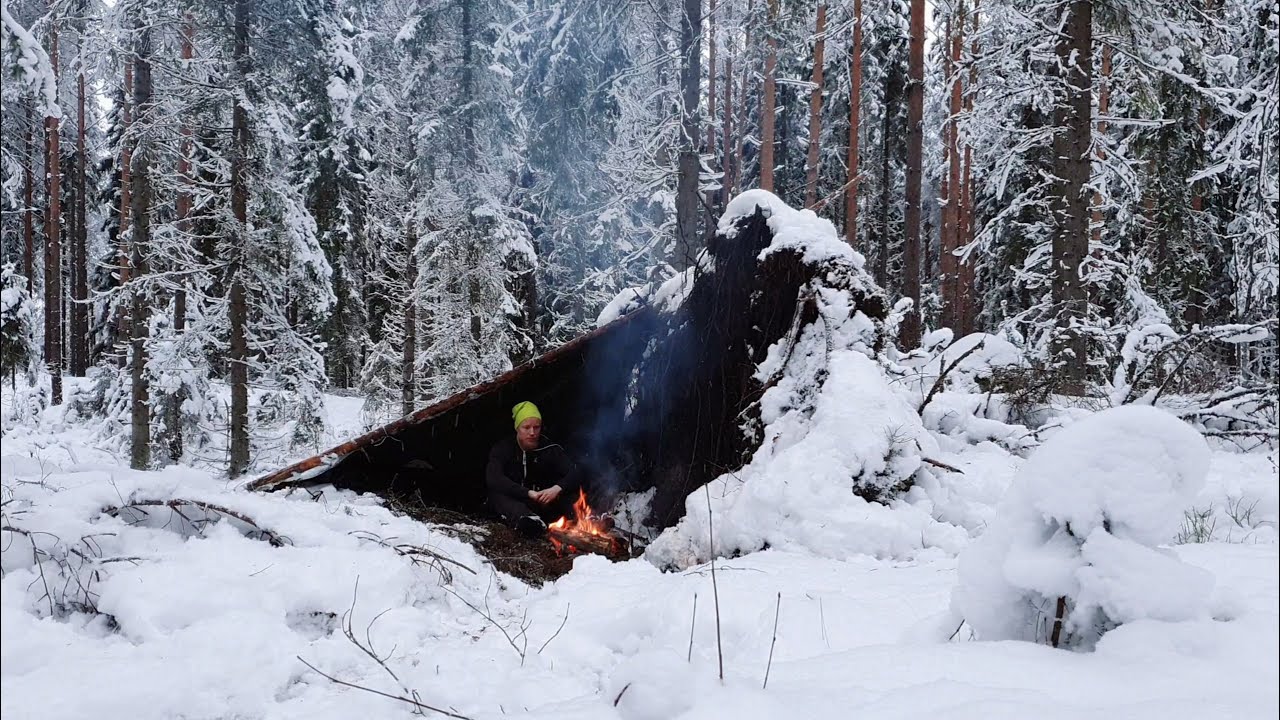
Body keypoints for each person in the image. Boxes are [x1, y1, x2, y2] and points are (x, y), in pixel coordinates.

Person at [486, 401, 582, 538]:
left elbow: (575, 472)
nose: (532, 432)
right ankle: (530, 521)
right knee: (497, 494)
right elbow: (494, 478)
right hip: (517, 501)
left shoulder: (549, 448)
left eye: (536, 427)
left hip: (544, 500)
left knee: (571, 489)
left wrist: (556, 489)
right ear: (517, 428)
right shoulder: (503, 449)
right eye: (526, 427)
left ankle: (585, 519)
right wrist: (528, 493)